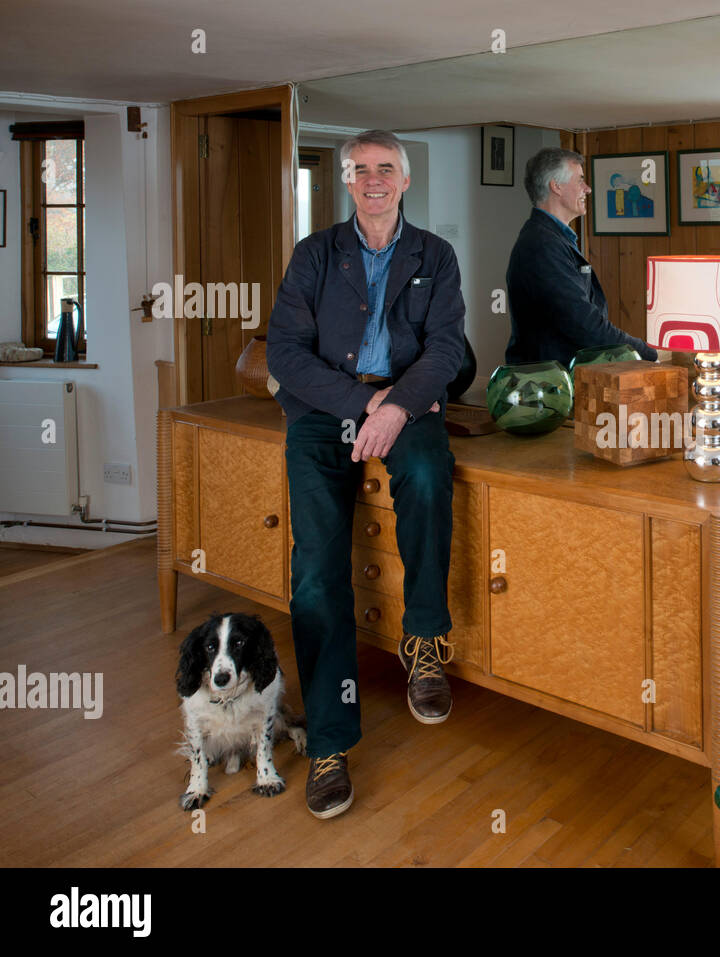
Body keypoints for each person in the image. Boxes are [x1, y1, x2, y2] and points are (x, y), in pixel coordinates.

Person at [266, 129, 464, 820]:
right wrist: (363, 404)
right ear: (345, 182)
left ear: (405, 181)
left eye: (386, 169)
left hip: (408, 405)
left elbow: (446, 347)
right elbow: (286, 354)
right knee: (317, 573)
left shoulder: (434, 256)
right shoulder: (314, 255)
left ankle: (425, 641)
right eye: (360, 170)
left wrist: (400, 405)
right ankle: (328, 743)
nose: (373, 180)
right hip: (326, 411)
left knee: (431, 479)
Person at [505, 147, 658, 367]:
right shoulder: (542, 245)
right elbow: (584, 324)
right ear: (556, 186)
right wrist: (649, 353)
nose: (587, 189)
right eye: (580, 181)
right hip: (547, 389)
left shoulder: (552, 238)